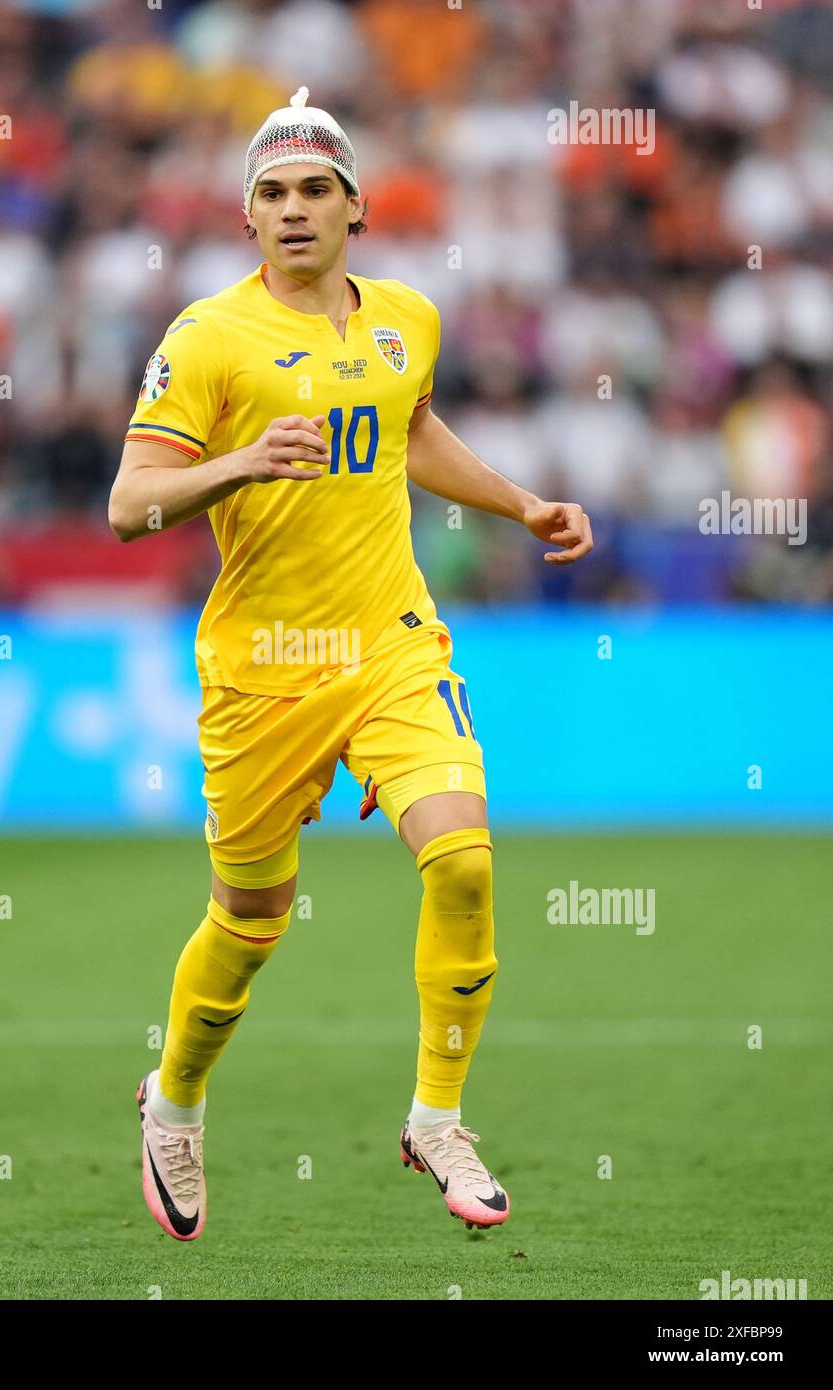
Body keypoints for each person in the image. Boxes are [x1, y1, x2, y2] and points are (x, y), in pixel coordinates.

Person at [108, 87, 593, 1241]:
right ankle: (174, 1101)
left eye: (313, 190)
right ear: (247, 217)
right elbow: (130, 505)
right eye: (270, 194)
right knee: (250, 922)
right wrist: (237, 465)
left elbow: (410, 428)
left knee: (464, 862)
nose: (292, 211)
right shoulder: (207, 338)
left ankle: (437, 1114)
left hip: (389, 645)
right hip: (263, 667)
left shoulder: (407, 321)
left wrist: (521, 503)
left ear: (356, 206)